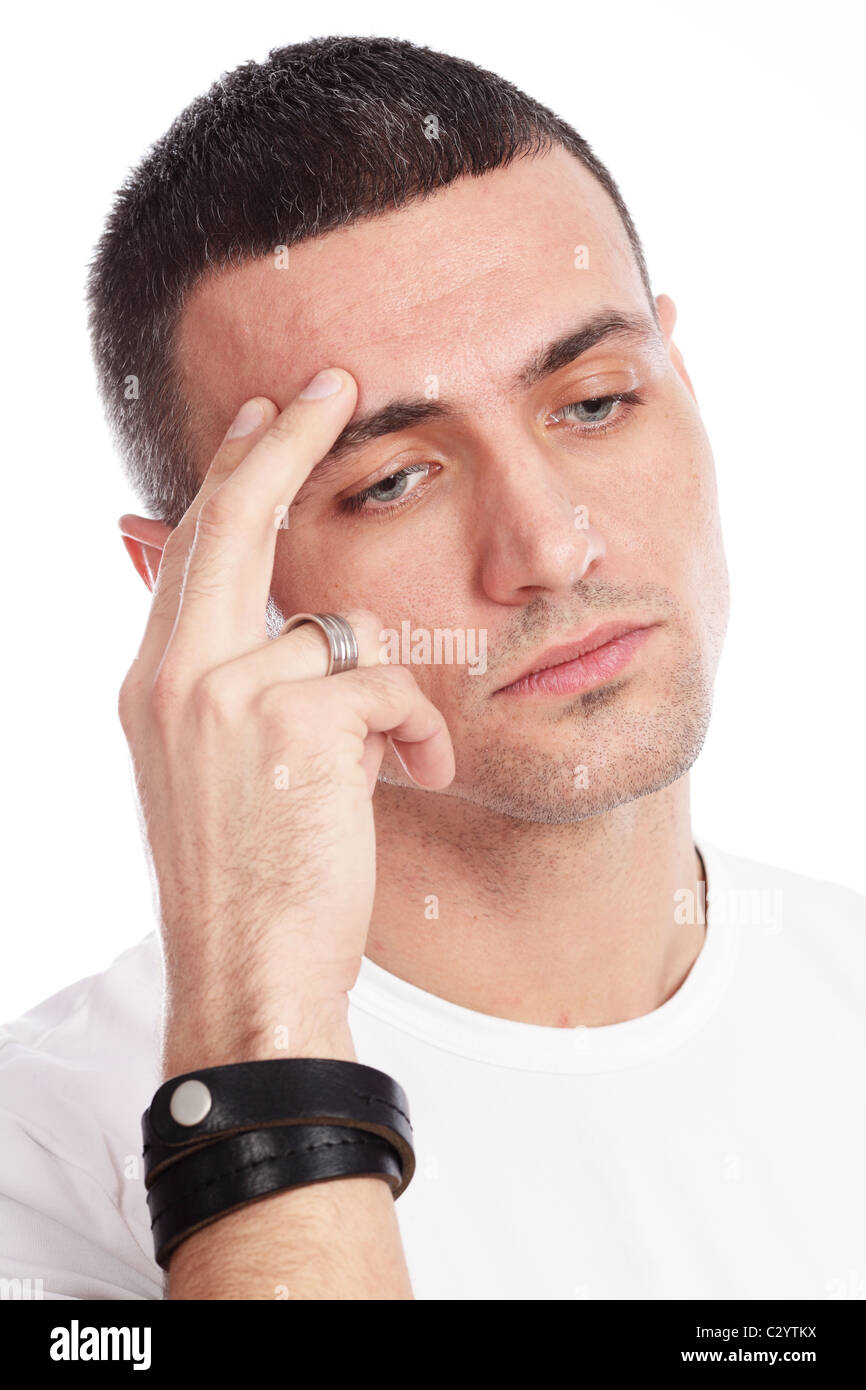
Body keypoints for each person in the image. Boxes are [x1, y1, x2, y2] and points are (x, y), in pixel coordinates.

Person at [1, 34, 864, 1302]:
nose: (550, 549)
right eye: (391, 480)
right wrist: (256, 1043)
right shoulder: (43, 1171)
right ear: (193, 587)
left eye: (593, 402)